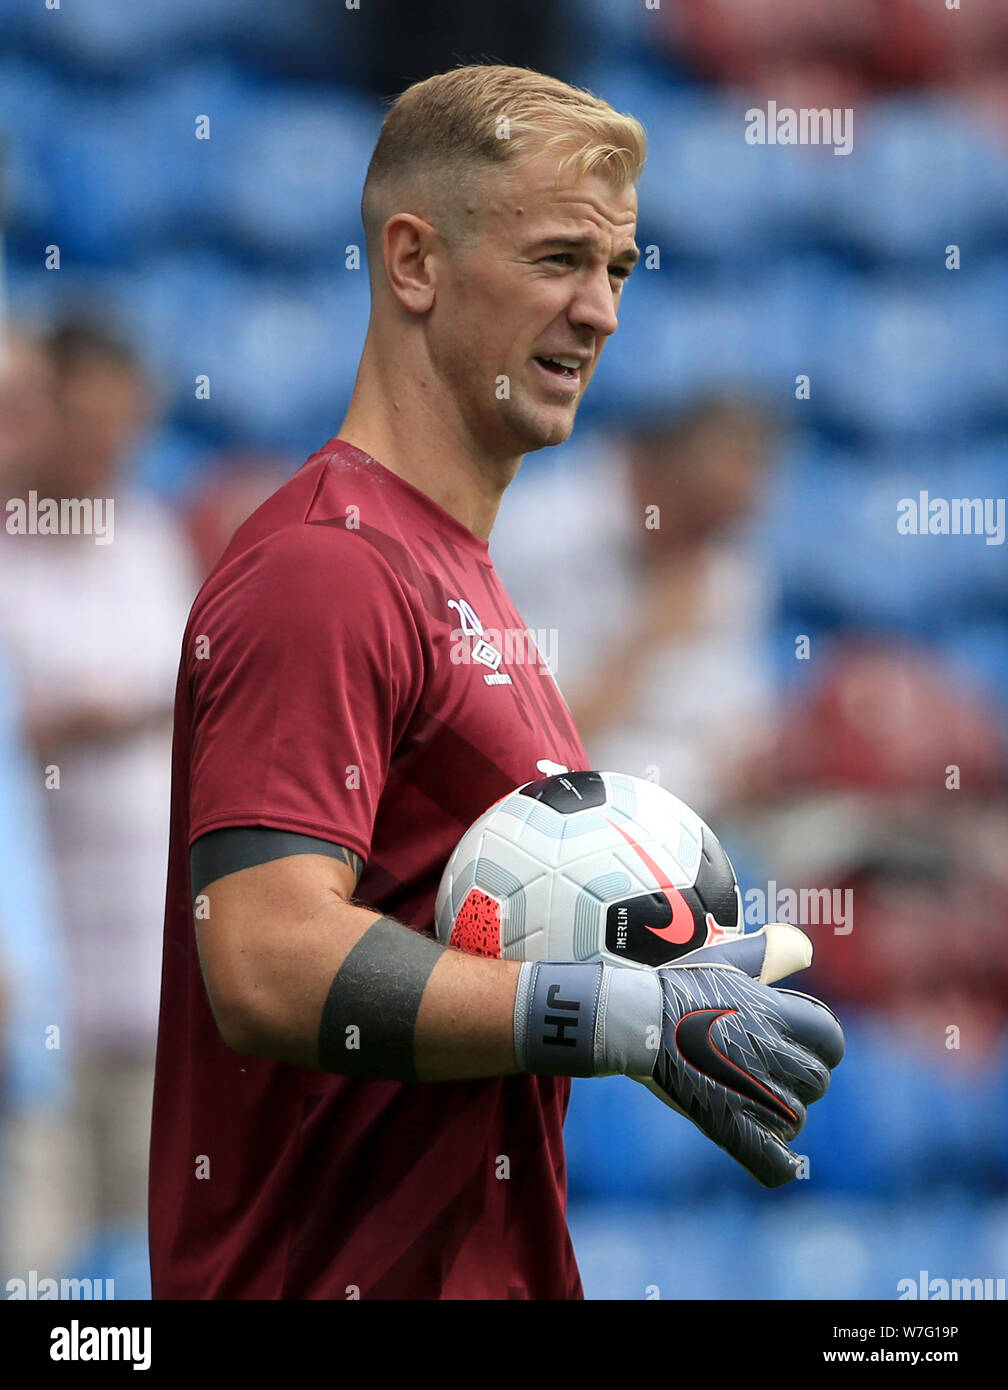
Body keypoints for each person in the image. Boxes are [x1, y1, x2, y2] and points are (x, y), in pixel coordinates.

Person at [148, 64, 843, 1301]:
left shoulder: (462, 573)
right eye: (560, 259)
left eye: (620, 270)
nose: (603, 311)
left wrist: (661, 974)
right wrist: (619, 1016)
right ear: (413, 263)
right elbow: (261, 958)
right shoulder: (326, 567)